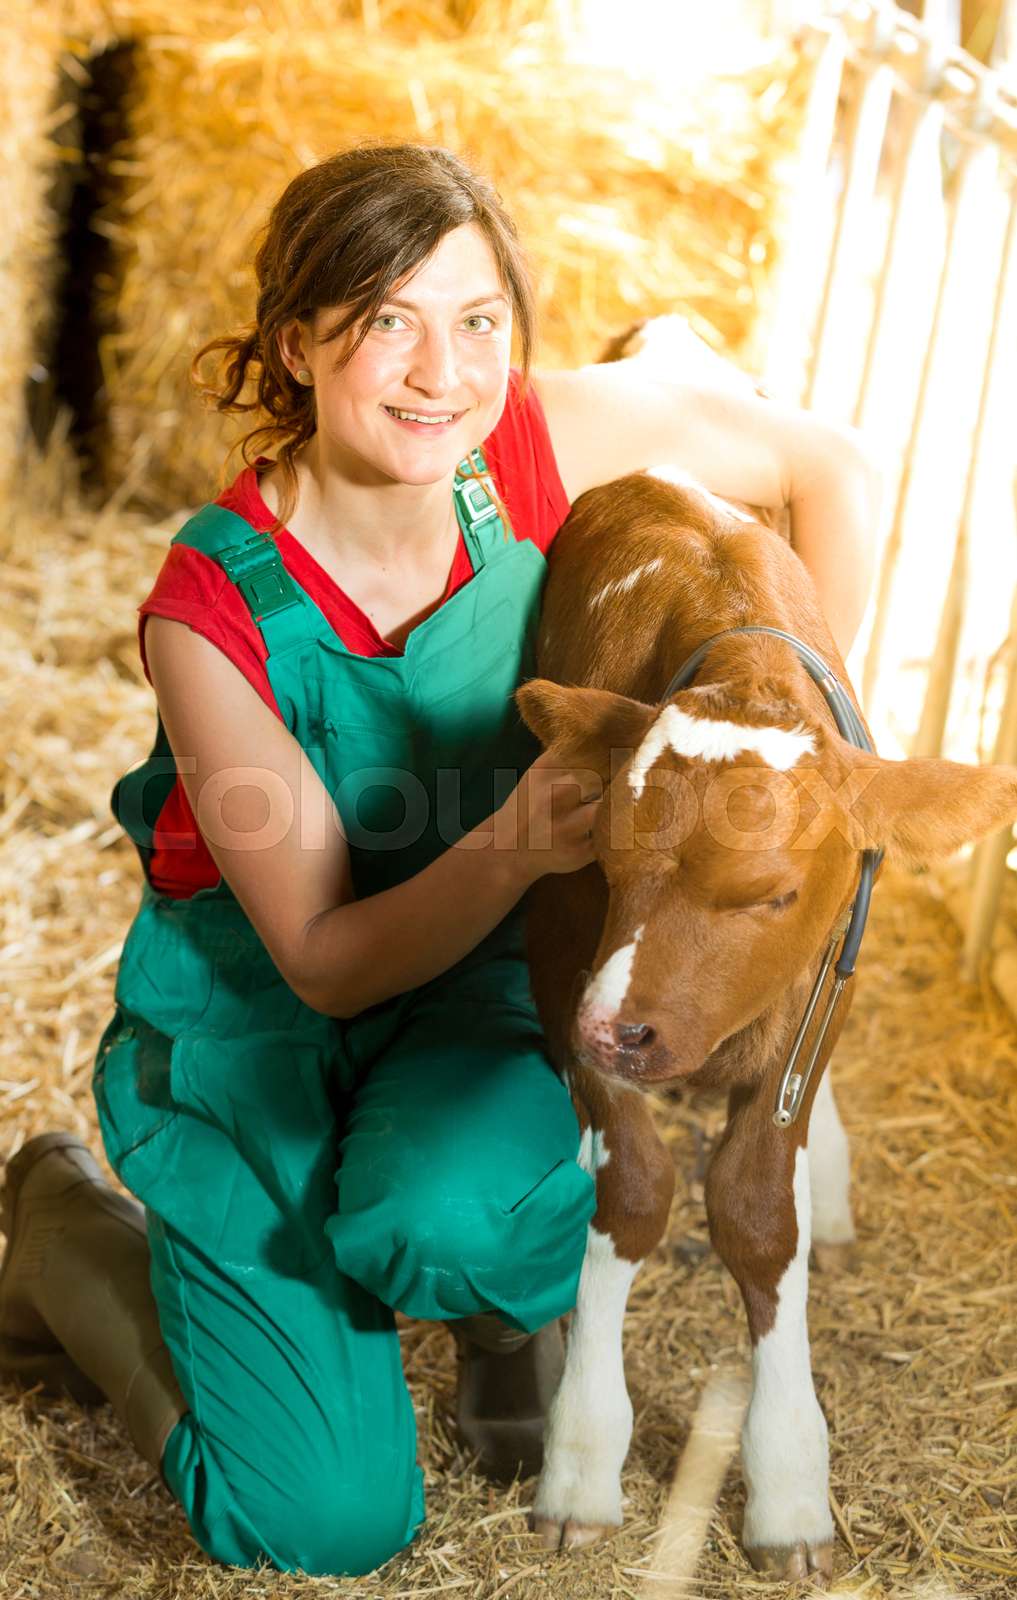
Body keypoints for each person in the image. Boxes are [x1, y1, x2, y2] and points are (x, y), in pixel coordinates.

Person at [0, 143, 881, 1577]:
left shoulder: (528, 442)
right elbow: (326, 963)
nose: (440, 371)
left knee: (451, 1219)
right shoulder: (208, 612)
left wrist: (811, 749)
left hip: (479, 995)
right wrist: (522, 836)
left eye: (477, 321)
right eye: (386, 321)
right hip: (263, 1032)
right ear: (296, 341)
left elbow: (823, 465)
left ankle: (476, 1293)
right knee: (318, 1519)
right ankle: (66, 1235)